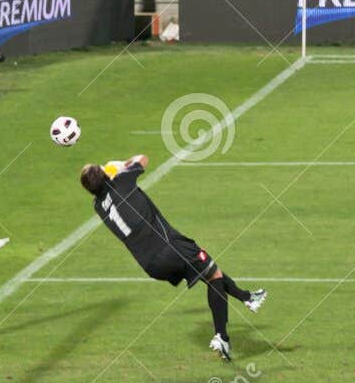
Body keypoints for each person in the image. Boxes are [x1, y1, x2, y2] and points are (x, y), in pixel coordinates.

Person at [82, 154, 265, 361]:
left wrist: (110, 174)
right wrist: (121, 165)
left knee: (208, 268)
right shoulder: (122, 181)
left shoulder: (98, 206)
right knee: (214, 276)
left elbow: (107, 190)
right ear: (106, 175)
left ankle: (247, 298)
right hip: (169, 246)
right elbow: (142, 158)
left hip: (150, 264)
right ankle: (222, 336)